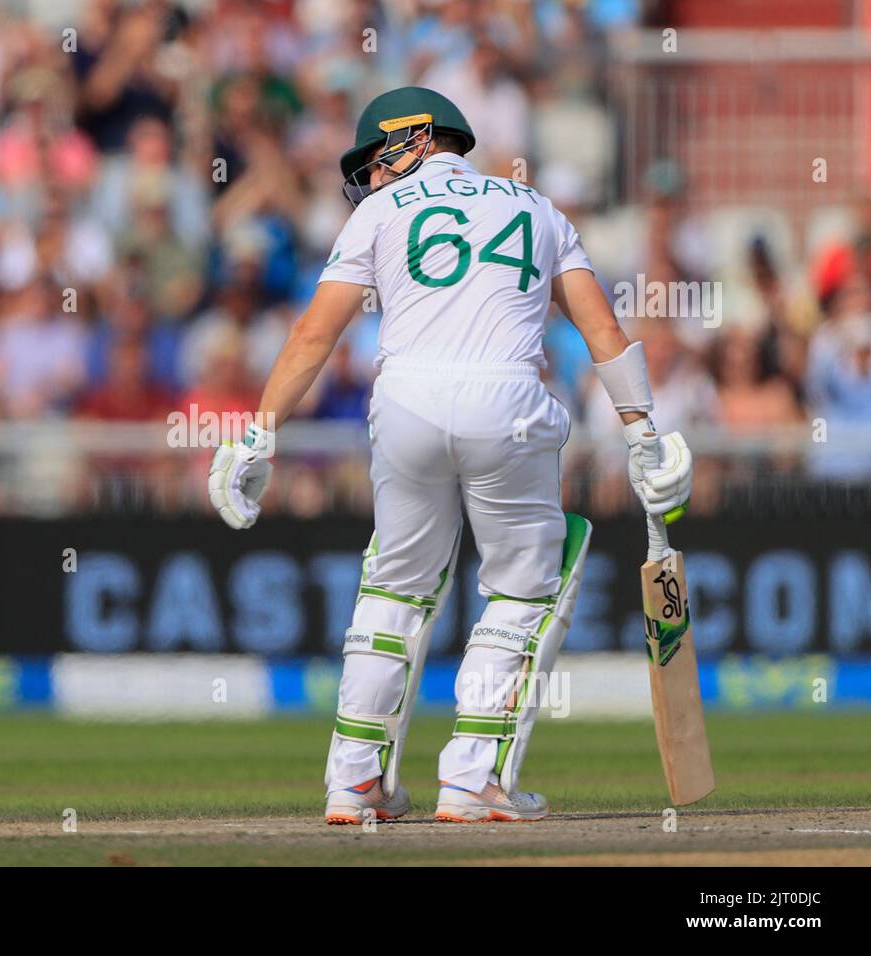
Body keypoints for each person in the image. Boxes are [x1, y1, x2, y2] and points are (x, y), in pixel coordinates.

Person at [207, 87, 693, 825]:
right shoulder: (536, 208)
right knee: (525, 589)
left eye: (373, 160)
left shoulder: (376, 214)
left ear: (416, 140)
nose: (369, 178)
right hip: (508, 405)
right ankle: (473, 778)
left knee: (394, 587)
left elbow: (313, 335)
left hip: (404, 402)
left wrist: (256, 435)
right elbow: (602, 329)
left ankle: (357, 781)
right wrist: (643, 433)